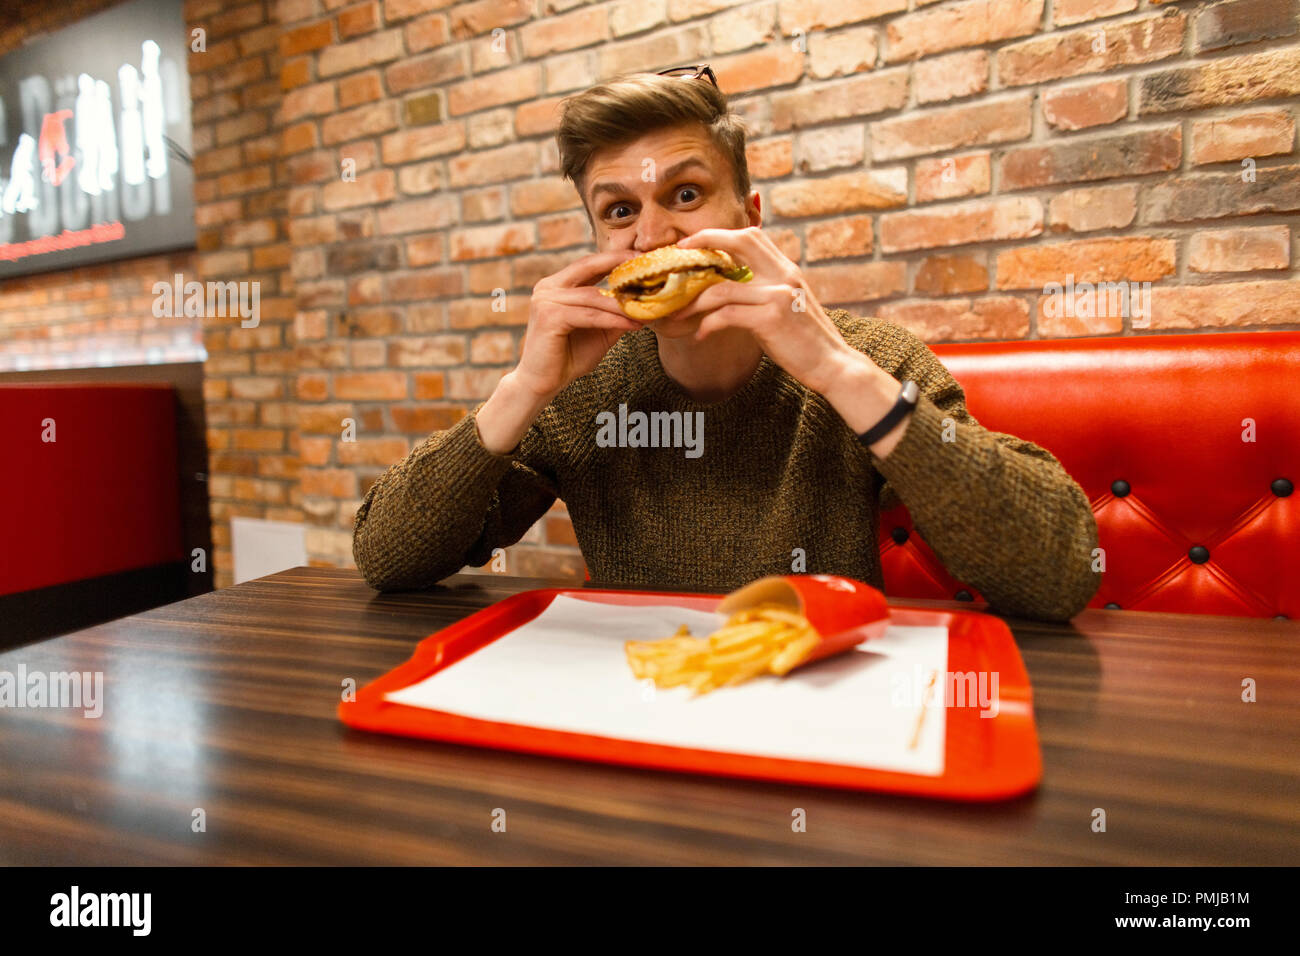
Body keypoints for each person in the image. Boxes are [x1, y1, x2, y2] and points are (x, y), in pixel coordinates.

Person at [352, 65, 1102, 623]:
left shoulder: (868, 359)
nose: (654, 236)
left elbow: (1059, 571)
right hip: (639, 705)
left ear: (749, 216)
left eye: (685, 194)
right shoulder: (579, 396)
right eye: (619, 211)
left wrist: (839, 371)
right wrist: (522, 389)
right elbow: (387, 558)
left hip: (820, 707)